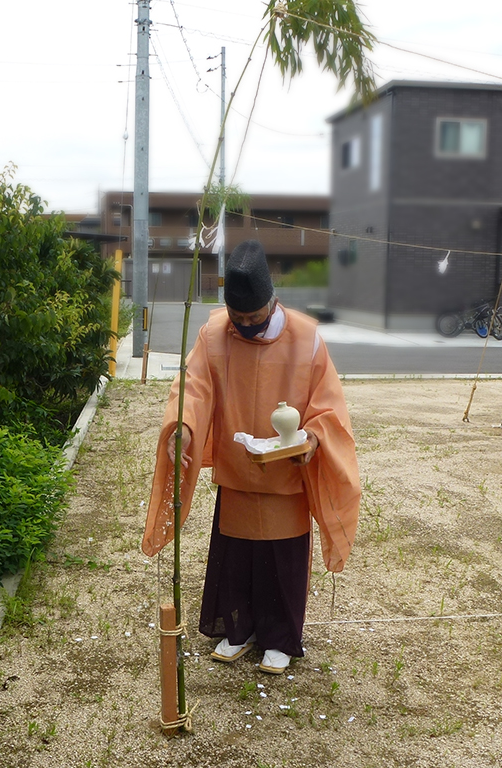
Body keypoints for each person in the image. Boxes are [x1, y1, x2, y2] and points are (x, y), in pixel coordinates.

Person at [141, 239, 360, 675]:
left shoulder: (306, 339)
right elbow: (195, 387)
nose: (244, 326)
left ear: (271, 302)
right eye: (237, 319)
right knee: (237, 556)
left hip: (286, 470)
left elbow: (329, 407)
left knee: (282, 560)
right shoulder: (214, 334)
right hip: (239, 468)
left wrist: (313, 440)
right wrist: (182, 428)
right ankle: (238, 629)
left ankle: (280, 637)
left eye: (253, 318)